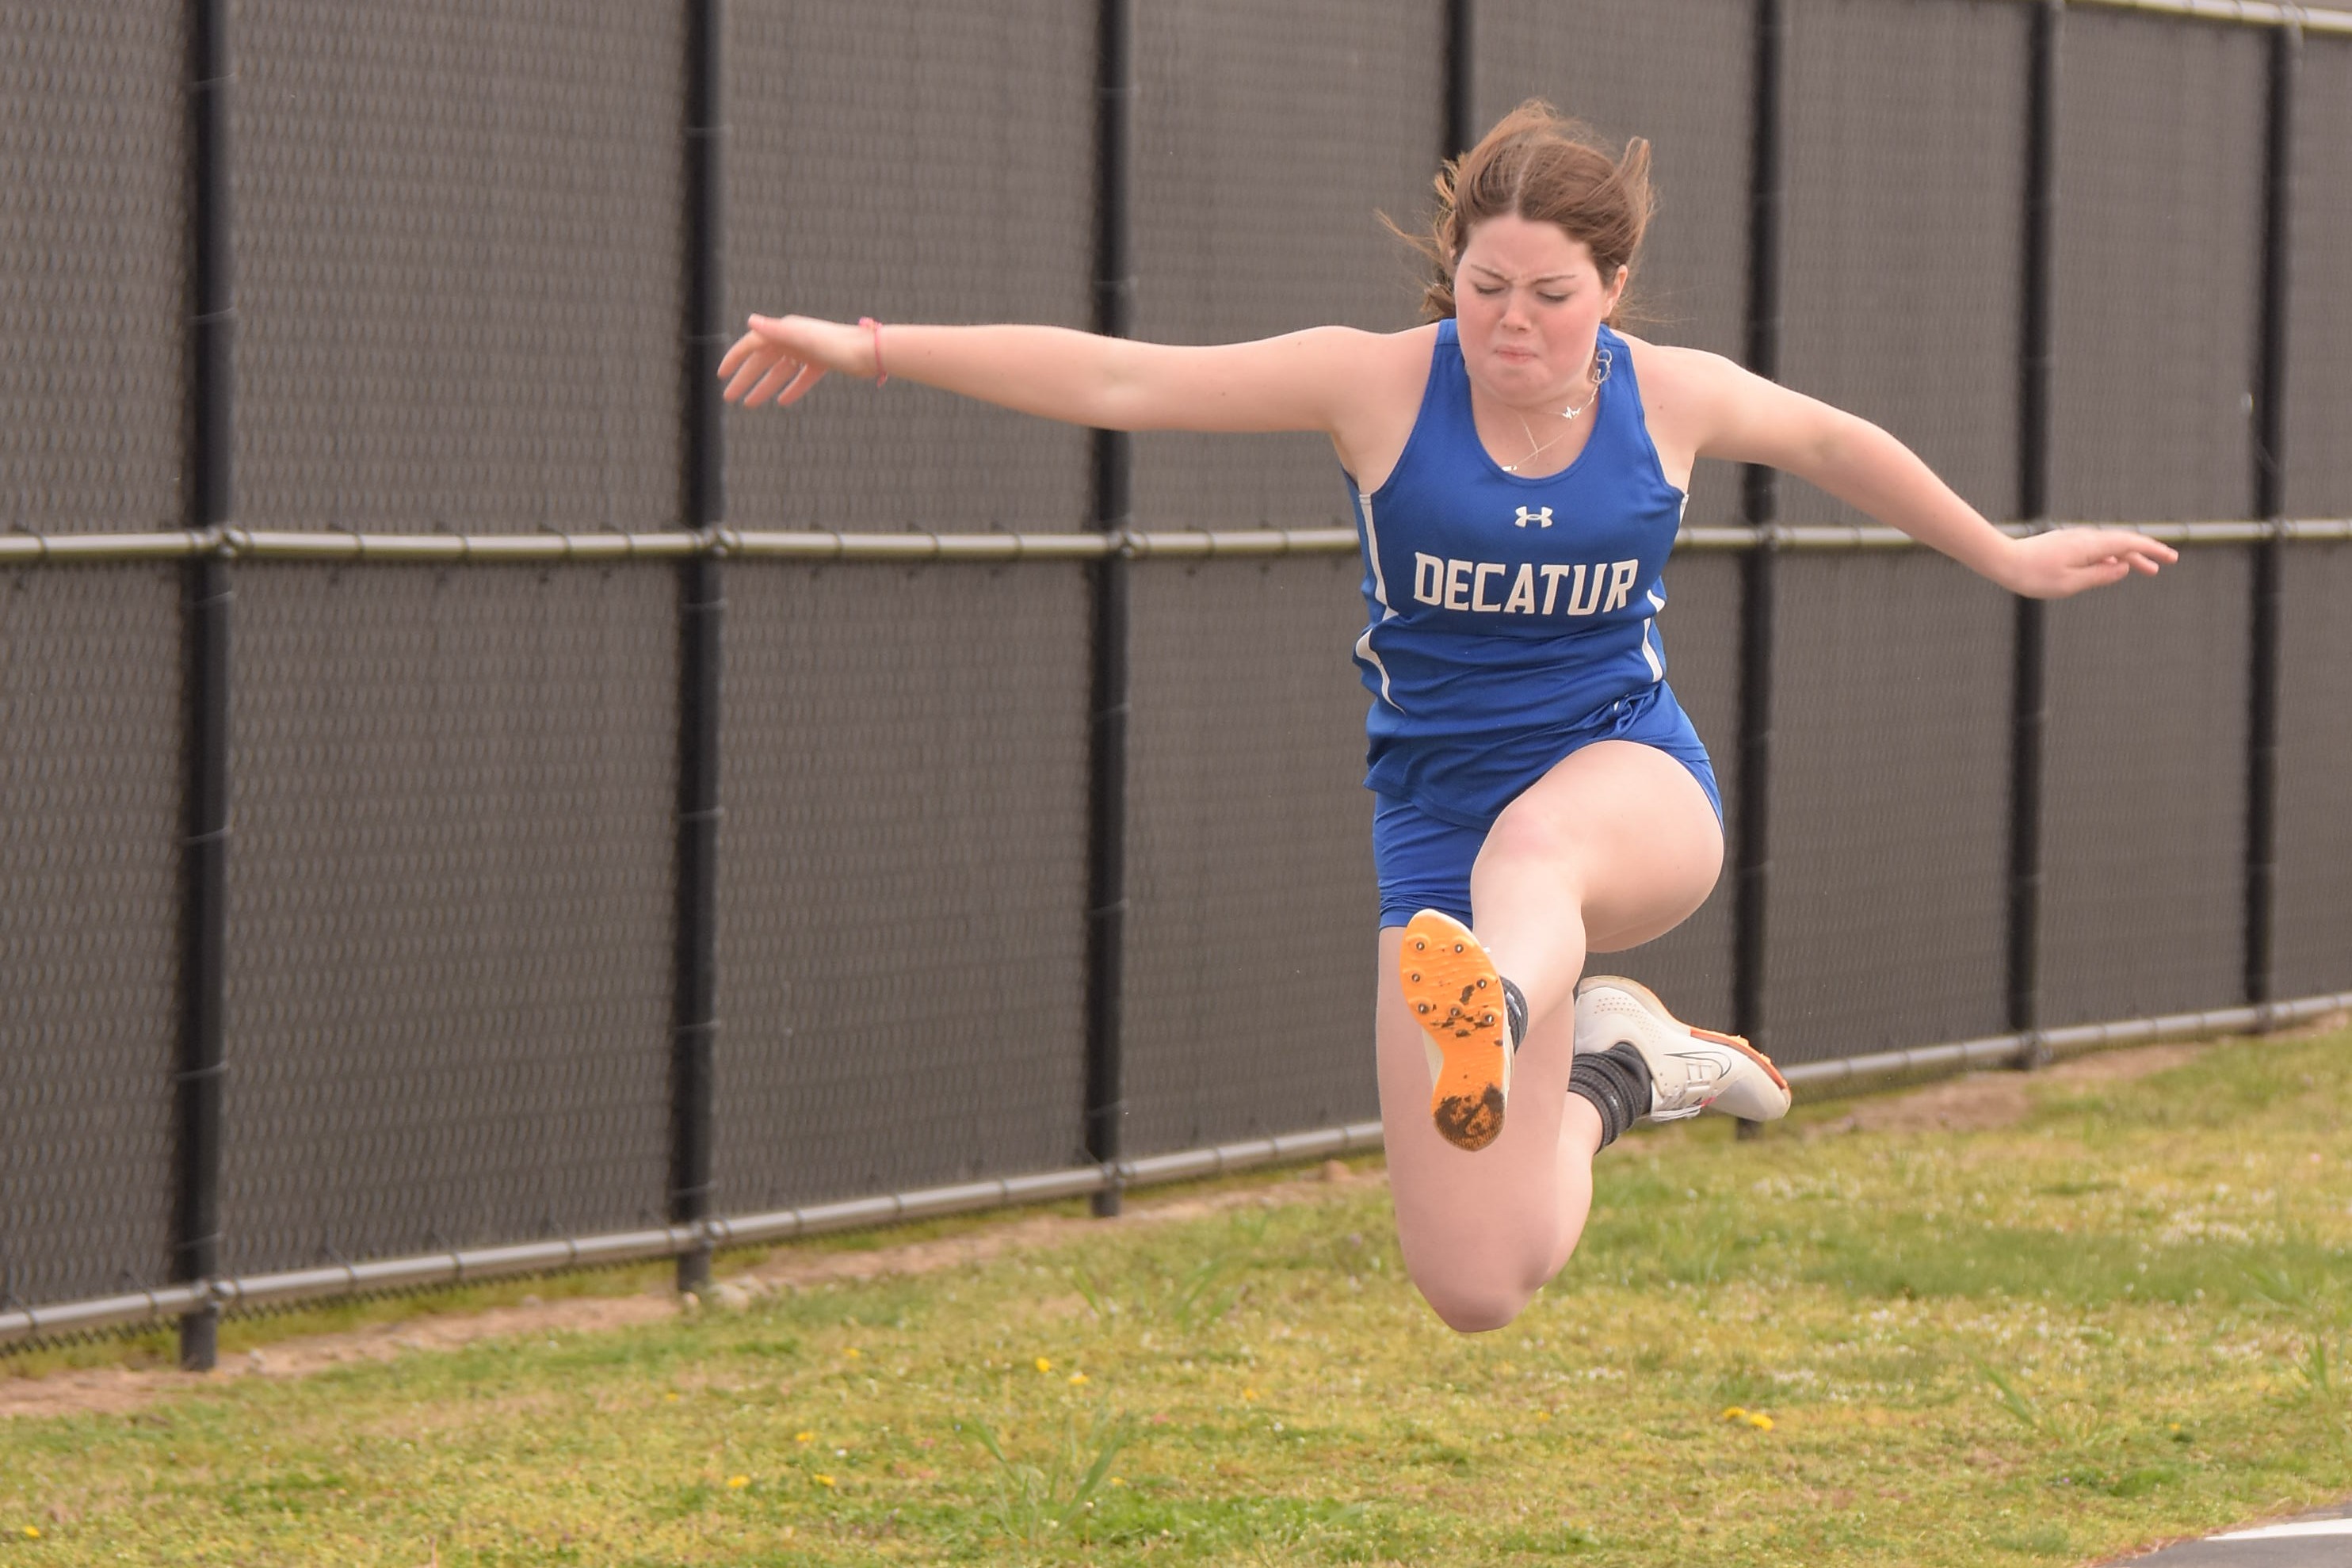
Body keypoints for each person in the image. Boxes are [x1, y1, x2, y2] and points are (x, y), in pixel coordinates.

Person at [718, 101, 2176, 1333]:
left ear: (1612, 286)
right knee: (1480, 1283)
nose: (1513, 322)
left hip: (1628, 788)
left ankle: (1512, 1003)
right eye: (1486, 287)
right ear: (1452, 273)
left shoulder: (1668, 400)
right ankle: (1624, 1069)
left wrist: (2006, 554)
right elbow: (1121, 378)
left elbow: (1834, 442)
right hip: (1437, 832)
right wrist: (873, 347)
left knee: (1532, 857)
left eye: (1551, 294)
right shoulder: (1374, 385)